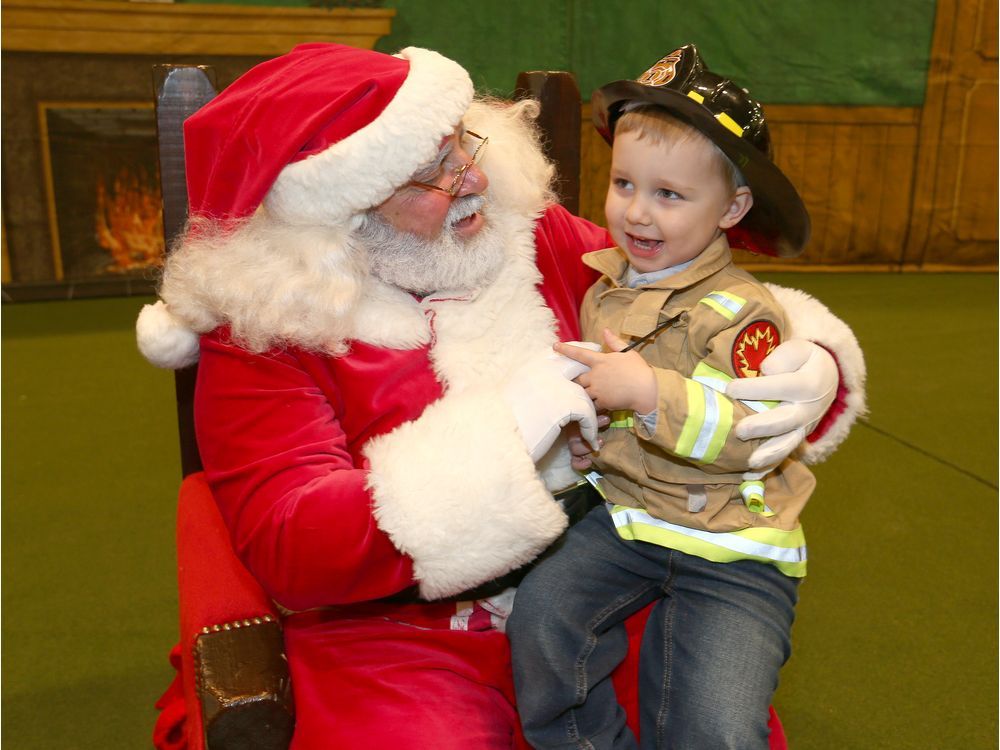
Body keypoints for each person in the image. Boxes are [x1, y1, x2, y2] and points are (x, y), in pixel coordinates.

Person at [136, 43, 865, 750]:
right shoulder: (267, 329)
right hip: (395, 633)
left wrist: (810, 360)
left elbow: (689, 303)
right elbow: (292, 539)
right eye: (432, 174)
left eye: (464, 147)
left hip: (604, 577)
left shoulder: (527, 235)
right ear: (338, 215)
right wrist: (508, 433)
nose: (474, 181)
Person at [506, 45, 848, 750]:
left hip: (734, 549)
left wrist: (647, 390)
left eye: (670, 195)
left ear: (733, 208)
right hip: (631, 519)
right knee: (542, 618)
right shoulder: (610, 284)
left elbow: (749, 436)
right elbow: (616, 412)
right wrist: (589, 430)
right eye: (625, 183)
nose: (637, 212)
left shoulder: (741, 312)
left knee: (716, 727)